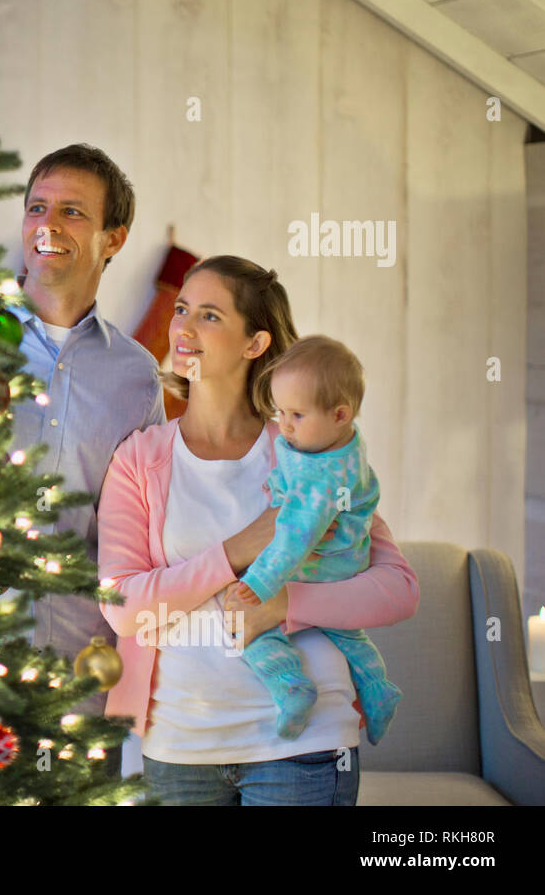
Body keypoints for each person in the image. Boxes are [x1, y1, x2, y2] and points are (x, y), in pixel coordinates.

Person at [95, 255, 418, 805]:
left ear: (255, 343)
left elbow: (398, 589)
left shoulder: (306, 451)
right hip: (180, 749)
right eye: (181, 309)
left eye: (211, 315)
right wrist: (239, 549)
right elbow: (124, 606)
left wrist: (286, 603)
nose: (184, 328)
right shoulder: (140, 459)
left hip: (305, 745)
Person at [7, 144, 165, 751]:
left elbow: (143, 530)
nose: (46, 226)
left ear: (113, 238)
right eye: (36, 208)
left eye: (72, 212)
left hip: (81, 674)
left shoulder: (137, 376)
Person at [232, 335, 402, 744]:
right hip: (344, 561)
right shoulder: (337, 442)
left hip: (317, 565)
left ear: (340, 413)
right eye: (279, 412)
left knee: (245, 623)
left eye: (296, 415)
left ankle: (290, 684)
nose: (283, 425)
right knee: (346, 633)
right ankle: (378, 688)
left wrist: (260, 583)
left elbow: (293, 537)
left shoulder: (319, 480)